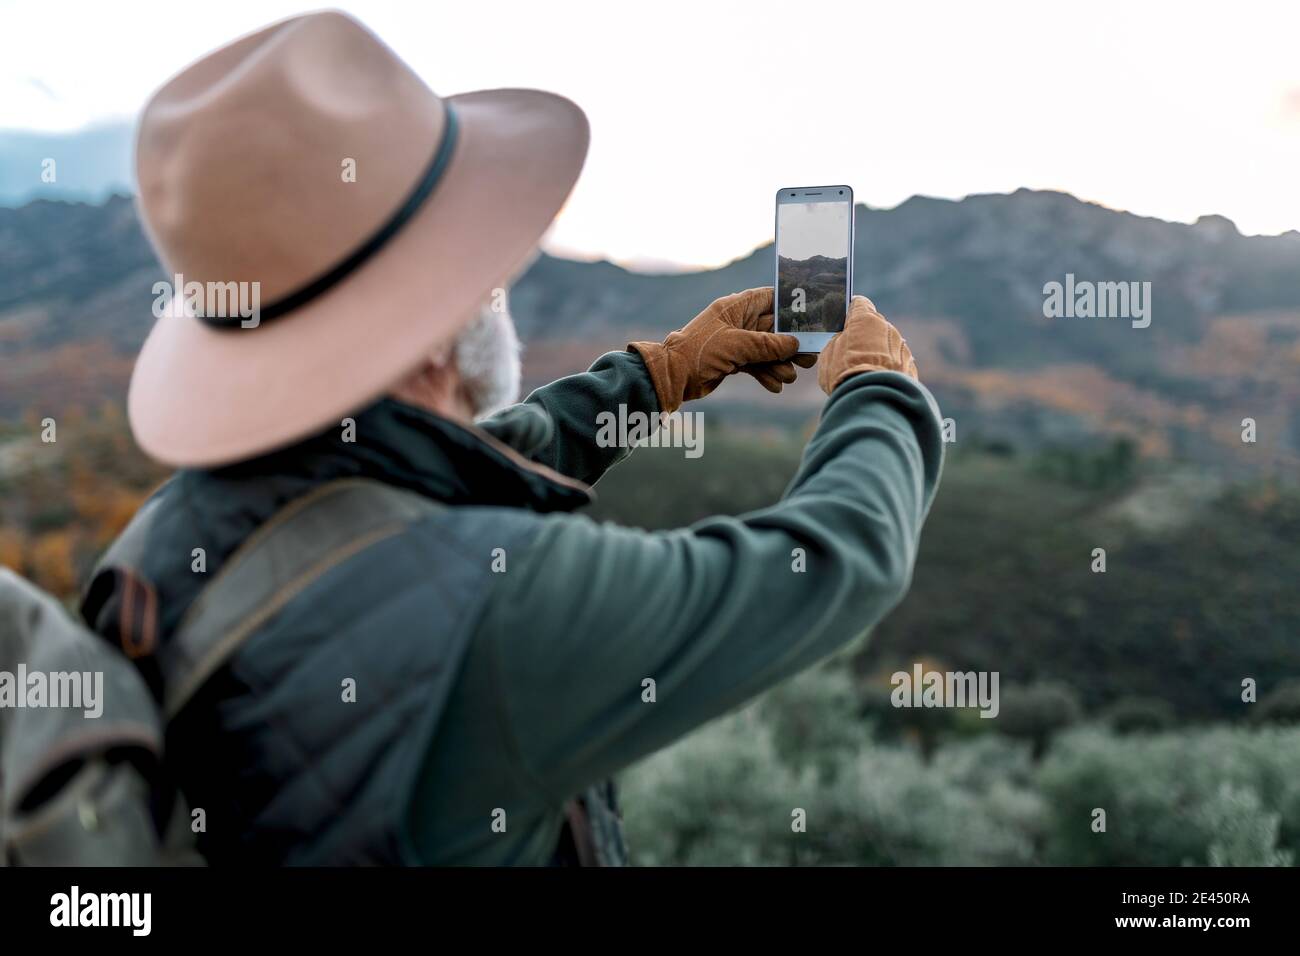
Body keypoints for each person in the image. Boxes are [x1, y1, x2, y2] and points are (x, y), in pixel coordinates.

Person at [84, 10, 944, 865]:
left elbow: (424, 476)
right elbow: (835, 563)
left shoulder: (164, 538)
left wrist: (664, 373)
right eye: (481, 272)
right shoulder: (506, 609)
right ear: (433, 335)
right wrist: (878, 387)